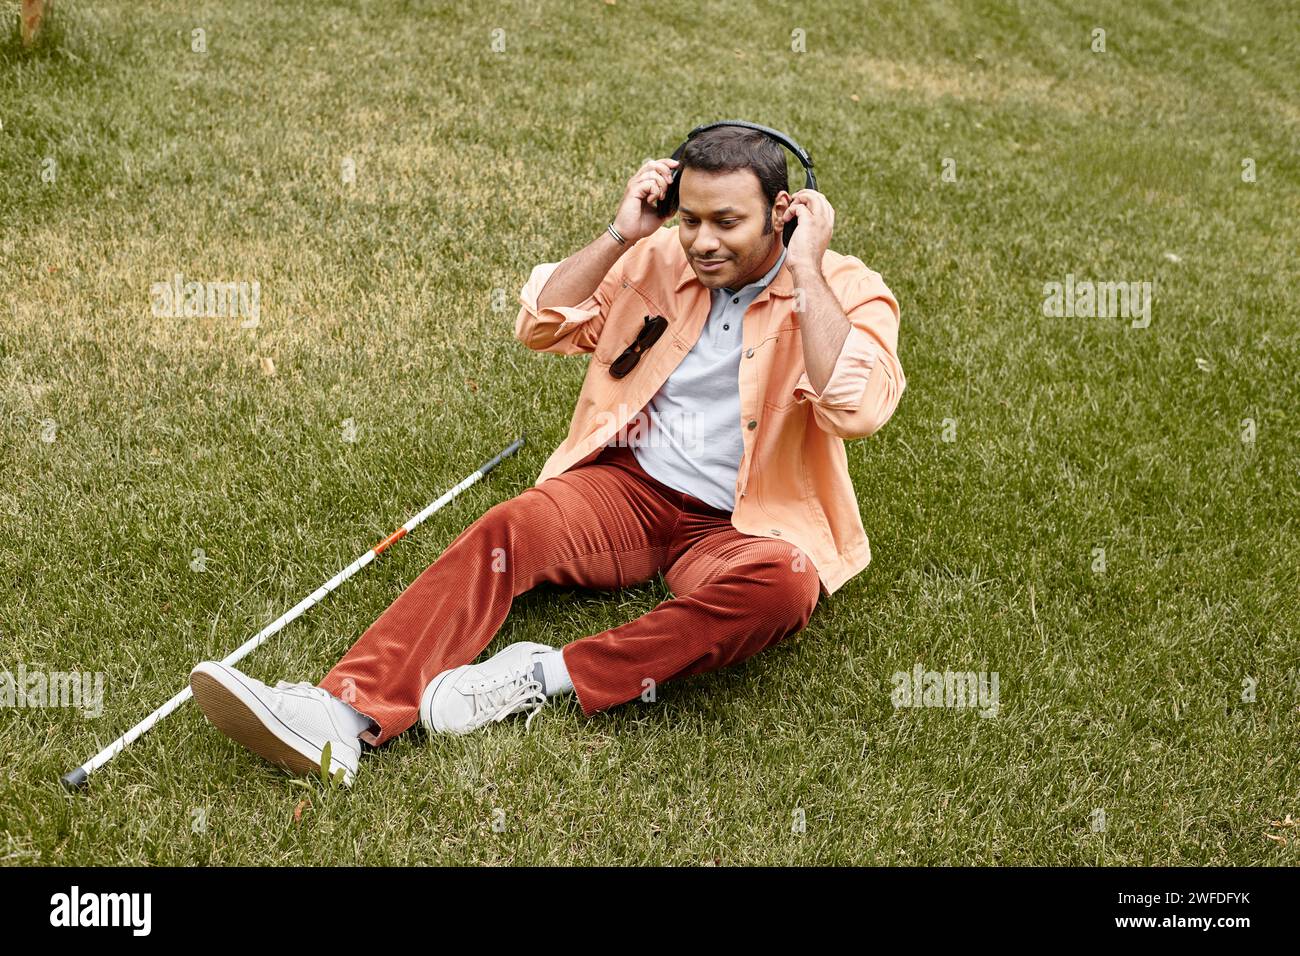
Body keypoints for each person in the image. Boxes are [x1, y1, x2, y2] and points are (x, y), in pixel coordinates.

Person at [188, 125, 906, 786]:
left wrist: (806, 266)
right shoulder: (655, 257)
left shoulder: (845, 290)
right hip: (628, 491)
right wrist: (621, 233)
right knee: (511, 528)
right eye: (690, 219)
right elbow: (542, 325)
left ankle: (547, 675)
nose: (703, 241)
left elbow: (858, 406)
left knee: (785, 587)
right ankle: (340, 716)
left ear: (785, 211)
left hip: (745, 525)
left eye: (727, 222)